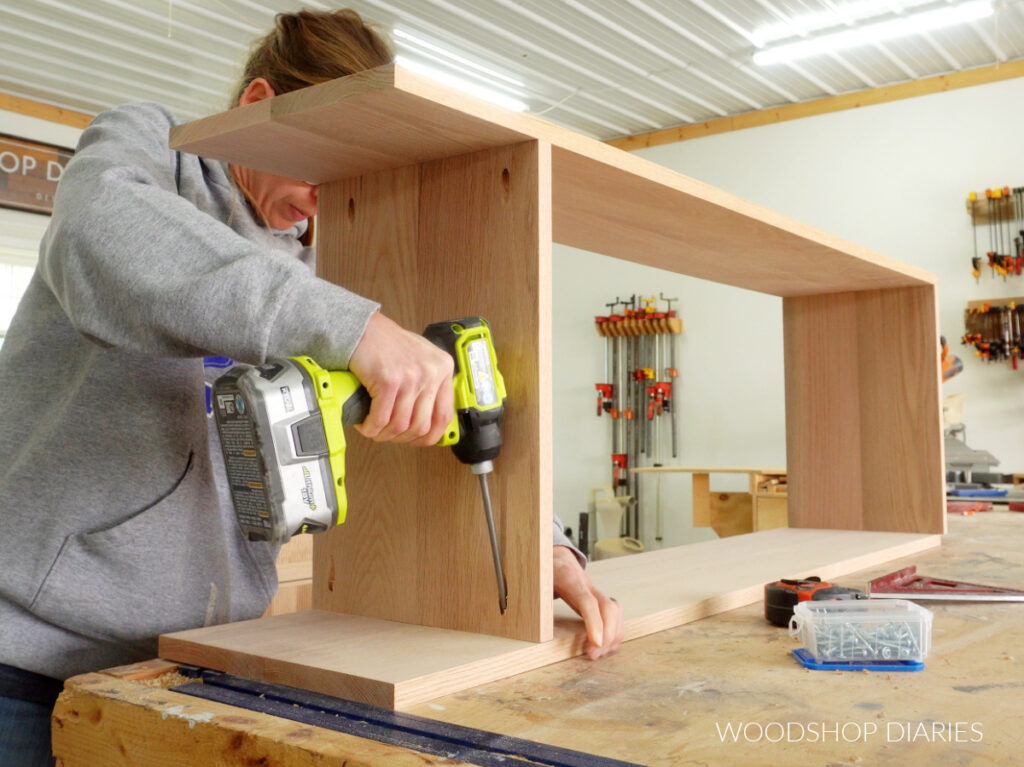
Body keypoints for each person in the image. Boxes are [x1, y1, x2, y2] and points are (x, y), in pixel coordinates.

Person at [0, 9, 622, 766]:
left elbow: (432, 394)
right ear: (258, 102)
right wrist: (354, 329)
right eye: (315, 166)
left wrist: (543, 548)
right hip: (28, 664)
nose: (324, 201)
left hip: (194, 668)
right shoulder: (152, 152)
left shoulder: (323, 276)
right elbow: (98, 236)